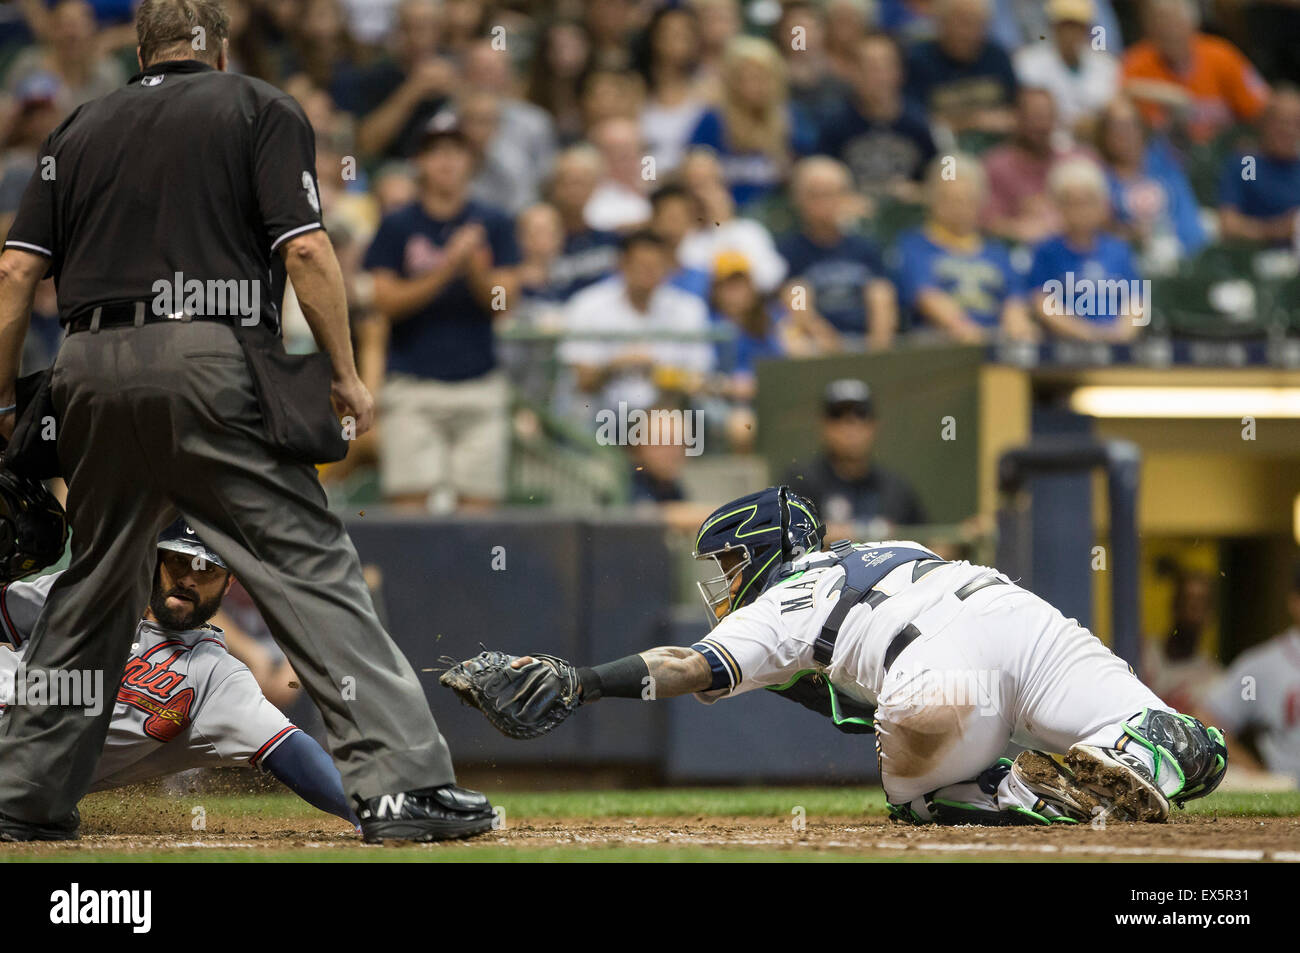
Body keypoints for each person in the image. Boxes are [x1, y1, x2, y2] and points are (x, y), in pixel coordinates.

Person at [0, 0, 494, 842]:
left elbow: (15, 273)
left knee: (93, 590)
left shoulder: (79, 128)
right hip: (208, 360)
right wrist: (343, 371)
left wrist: (10, 403)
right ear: (218, 48)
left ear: (143, 48)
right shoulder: (258, 107)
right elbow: (305, 248)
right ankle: (402, 785)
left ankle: (24, 794)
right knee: (308, 566)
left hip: (88, 366)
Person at [446, 485, 1229, 825]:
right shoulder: (885, 546)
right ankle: (1138, 755)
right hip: (1015, 613)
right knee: (1197, 742)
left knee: (920, 797)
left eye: (725, 566)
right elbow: (821, 685)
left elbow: (686, 665)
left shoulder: (781, 600)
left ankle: (1020, 793)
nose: (721, 584)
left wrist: (580, 683)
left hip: (935, 675)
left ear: (757, 553)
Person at [0, 521, 356, 827]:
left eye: (207, 570)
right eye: (177, 561)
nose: (188, 579)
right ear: (152, 560)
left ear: (229, 583)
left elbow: (292, 752)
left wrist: (368, 811)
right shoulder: (88, 591)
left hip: (18, 776)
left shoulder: (216, 676)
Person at [363, 114, 518, 512]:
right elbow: (385, 303)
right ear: (419, 161)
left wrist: (475, 269)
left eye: (455, 151)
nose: (446, 161)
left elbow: (503, 303)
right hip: (413, 386)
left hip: (479, 383)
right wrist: (448, 265)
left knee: (479, 515)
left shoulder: (495, 222)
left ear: (471, 161)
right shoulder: (397, 224)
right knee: (408, 512)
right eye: (435, 152)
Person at [560, 229, 714, 414]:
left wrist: (658, 372)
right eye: (641, 266)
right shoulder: (587, 304)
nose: (648, 274)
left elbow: (700, 376)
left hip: (670, 410)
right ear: (623, 264)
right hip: (605, 411)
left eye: (655, 266)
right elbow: (581, 379)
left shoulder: (689, 308)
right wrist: (613, 367)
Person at [894, 155, 1034, 342]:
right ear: (932, 199)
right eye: (949, 199)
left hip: (996, 343)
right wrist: (966, 330)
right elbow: (926, 297)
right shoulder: (914, 246)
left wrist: (1018, 329)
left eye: (967, 199)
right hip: (941, 343)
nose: (958, 208)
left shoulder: (997, 252)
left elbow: (1015, 300)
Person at [783, 379, 927, 538]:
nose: (850, 424)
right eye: (837, 415)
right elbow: (789, 540)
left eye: (861, 414)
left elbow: (931, 541)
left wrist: (957, 537)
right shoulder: (801, 481)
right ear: (823, 425)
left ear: (874, 425)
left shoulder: (894, 488)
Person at [777, 157, 898, 346]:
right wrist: (826, 338)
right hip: (815, 343)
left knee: (880, 294)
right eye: (815, 195)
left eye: (832, 194)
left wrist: (876, 345)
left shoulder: (864, 247)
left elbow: (882, 295)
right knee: (796, 293)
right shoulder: (789, 250)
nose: (824, 203)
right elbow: (793, 303)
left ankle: (878, 359)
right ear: (798, 199)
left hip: (865, 338)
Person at [687, 35, 817, 208]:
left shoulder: (790, 116)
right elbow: (694, 164)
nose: (754, 86)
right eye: (746, 78)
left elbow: (810, 164)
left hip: (781, 213)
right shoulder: (715, 119)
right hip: (727, 213)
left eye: (761, 78)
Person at [1027, 156, 1146, 342]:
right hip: (1065, 348)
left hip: (1118, 348)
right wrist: (1088, 334)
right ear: (1058, 206)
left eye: (1088, 201)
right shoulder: (1046, 251)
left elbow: (1136, 302)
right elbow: (1042, 303)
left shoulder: (1119, 251)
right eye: (1072, 202)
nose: (1080, 211)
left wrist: (1122, 335)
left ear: (1102, 205)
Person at [1202, 563, 1300, 784]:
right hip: (1290, 793)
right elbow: (1207, 720)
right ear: (1295, 601)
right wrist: (1257, 777)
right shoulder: (1265, 664)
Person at [1121, 0, 1268, 146]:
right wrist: (1167, 95)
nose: (1169, 31)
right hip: (1166, 155)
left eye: (1175, 23)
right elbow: (1116, 99)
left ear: (1193, 25)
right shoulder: (1136, 62)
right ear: (1150, 29)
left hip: (1222, 152)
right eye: (1160, 25)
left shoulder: (1221, 55)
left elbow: (1261, 107)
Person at [817, 32, 937, 200]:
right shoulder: (833, 125)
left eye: (885, 67)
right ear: (853, 72)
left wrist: (921, 191)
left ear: (899, 72)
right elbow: (819, 181)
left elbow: (944, 175)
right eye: (869, 68)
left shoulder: (920, 123)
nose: (878, 76)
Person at [1096, 95, 1207, 268]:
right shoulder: (1101, 178)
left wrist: (1128, 90)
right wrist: (1129, 234)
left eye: (1130, 126)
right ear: (1105, 137)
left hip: (1184, 257)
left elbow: (1182, 103)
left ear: (1142, 130)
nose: (1124, 135)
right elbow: (1100, 233)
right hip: (1131, 266)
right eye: (1115, 129)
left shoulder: (1165, 161)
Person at [982, 86, 1093, 245]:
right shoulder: (996, 166)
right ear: (1017, 118)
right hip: (1018, 252)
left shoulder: (1074, 161)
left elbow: (1101, 213)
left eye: (1048, 117)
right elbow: (988, 223)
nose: (1041, 125)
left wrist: (1063, 223)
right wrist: (1019, 229)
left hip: (1072, 253)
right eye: (1034, 117)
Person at [904, 0, 1018, 135]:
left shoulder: (997, 56)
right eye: (963, 23)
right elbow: (914, 121)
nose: (971, 33)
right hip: (944, 151)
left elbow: (1018, 110)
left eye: (979, 24)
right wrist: (972, 122)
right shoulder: (919, 61)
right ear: (941, 23)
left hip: (999, 149)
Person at [1012, 0, 1119, 135]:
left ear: (1087, 29)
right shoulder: (1028, 63)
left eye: (1077, 27)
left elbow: (1111, 110)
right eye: (1065, 26)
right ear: (1052, 26)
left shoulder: (1106, 65)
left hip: (1096, 144)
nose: (1071, 33)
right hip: (1048, 145)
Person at [1217, 87, 1300, 246]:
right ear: (1264, 123)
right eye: (1282, 122)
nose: (1289, 130)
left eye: (1297, 123)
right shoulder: (1250, 164)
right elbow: (1229, 225)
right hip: (1260, 257)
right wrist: (1278, 229)